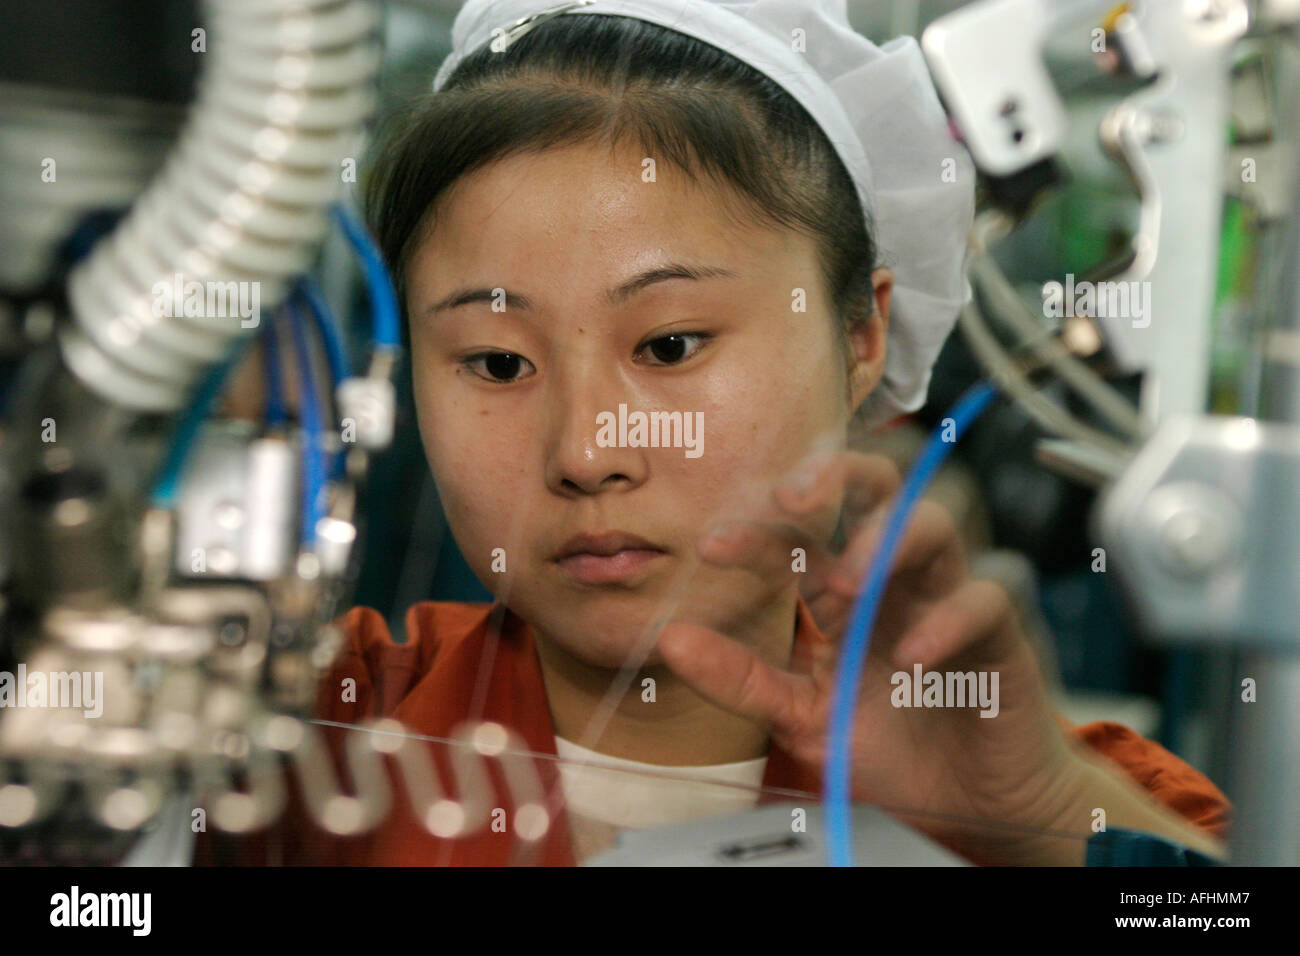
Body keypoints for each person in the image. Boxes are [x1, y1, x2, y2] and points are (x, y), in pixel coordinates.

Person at [197, 0, 1229, 866]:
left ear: (862, 332)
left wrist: (1043, 821)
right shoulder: (290, 741)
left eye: (672, 344)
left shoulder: (1083, 800)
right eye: (499, 362)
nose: (585, 450)